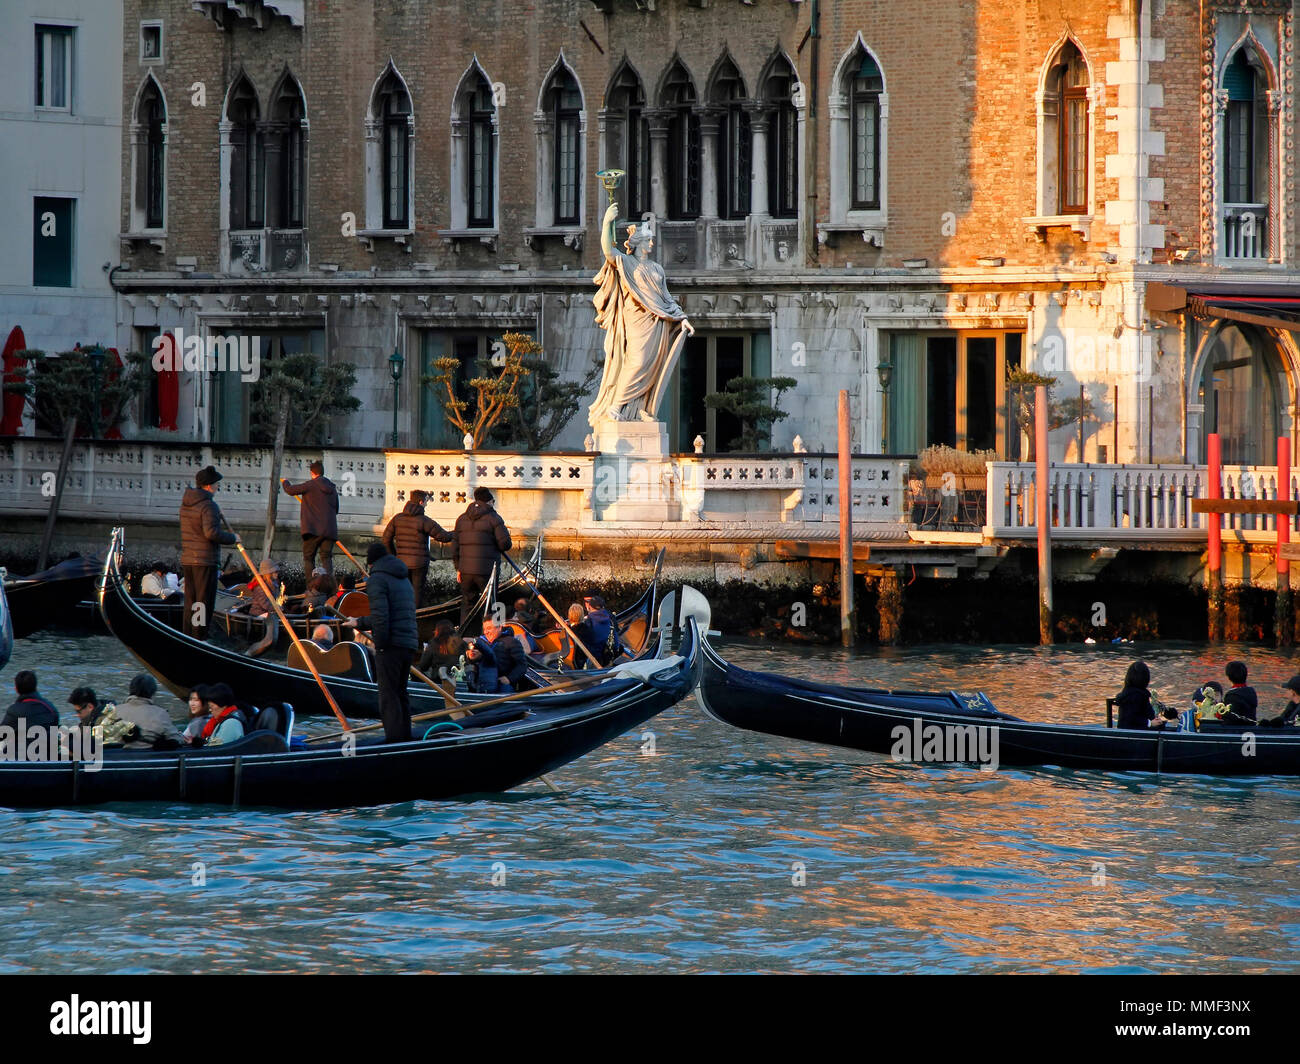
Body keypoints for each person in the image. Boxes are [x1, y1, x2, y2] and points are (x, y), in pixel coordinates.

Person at [588, 200, 695, 426]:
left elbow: (666, 297)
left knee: (652, 365)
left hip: (658, 322)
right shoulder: (626, 262)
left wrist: (682, 318)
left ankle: (641, 408)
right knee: (636, 362)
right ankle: (616, 406)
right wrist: (607, 222)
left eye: (651, 240)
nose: (652, 243)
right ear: (637, 243)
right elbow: (608, 250)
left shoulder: (657, 268)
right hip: (636, 320)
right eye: (648, 240)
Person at [348, 542, 418, 742]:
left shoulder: (377, 580)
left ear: (371, 563)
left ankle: (394, 741)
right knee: (401, 692)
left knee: (388, 696)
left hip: (391, 644)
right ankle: (405, 737)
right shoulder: (404, 580)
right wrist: (359, 622)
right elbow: (391, 614)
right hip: (408, 642)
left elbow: (381, 617)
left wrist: (380, 645)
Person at [180, 465, 240, 640]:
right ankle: (199, 637)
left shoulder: (186, 504)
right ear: (208, 486)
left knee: (191, 600)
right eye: (216, 484)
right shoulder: (208, 506)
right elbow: (211, 533)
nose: (217, 487)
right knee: (202, 602)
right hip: (205, 560)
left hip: (189, 559)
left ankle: (188, 635)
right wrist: (233, 538)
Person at [382, 490, 453, 606]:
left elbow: (385, 539)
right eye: (426, 501)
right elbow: (444, 537)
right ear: (421, 502)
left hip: (401, 563)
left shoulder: (397, 518)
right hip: (419, 563)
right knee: (417, 591)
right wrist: (459, 531)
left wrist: (394, 557)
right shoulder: (424, 521)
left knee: (403, 591)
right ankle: (416, 616)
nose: (426, 504)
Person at [453, 487, 512, 624]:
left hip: (466, 570)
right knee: (491, 603)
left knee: (467, 604)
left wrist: (458, 568)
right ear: (490, 501)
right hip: (487, 571)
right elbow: (505, 545)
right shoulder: (494, 518)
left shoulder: (461, 519)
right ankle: (491, 637)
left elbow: (455, 547)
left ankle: (465, 636)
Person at [282, 460, 341, 575]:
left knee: (309, 558)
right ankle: (328, 586)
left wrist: (285, 482)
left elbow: (290, 490)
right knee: (326, 558)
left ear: (312, 473)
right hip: (329, 530)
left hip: (313, 530)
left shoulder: (310, 485)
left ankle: (311, 587)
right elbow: (336, 509)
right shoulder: (332, 488)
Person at [114, 674, 183, 750]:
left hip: (115, 755)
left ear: (131, 689)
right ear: (153, 692)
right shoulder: (160, 713)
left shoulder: (115, 711)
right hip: (147, 756)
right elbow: (176, 739)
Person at [1114, 661, 1174, 730]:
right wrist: (1150, 723)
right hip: (1131, 731)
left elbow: (1148, 713)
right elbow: (1131, 718)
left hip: (1136, 728)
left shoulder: (1141, 694)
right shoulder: (1133, 696)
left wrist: (1155, 719)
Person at [245, 558, 283, 658]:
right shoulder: (259, 587)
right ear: (269, 573)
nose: (277, 573)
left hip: (269, 611)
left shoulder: (274, 584)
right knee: (273, 617)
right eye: (275, 571)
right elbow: (265, 605)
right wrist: (277, 608)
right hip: (258, 613)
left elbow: (274, 600)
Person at [482, 617, 528, 691]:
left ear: (499, 628)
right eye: (484, 629)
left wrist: (509, 679)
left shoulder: (512, 642)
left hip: (501, 684)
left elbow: (522, 665)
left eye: (489, 628)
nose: (485, 632)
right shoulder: (482, 642)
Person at [582, 594, 620, 666]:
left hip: (593, 659)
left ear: (590, 607)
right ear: (603, 607)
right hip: (608, 658)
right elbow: (616, 643)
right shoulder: (610, 619)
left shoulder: (588, 621)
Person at [1221, 660, 1258, 724]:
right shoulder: (1251, 692)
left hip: (1236, 730)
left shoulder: (1231, 696)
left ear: (1229, 677)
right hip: (1251, 727)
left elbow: (1229, 719)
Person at [564, 602, 595, 667]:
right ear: (582, 615)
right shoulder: (588, 629)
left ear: (569, 615)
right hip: (582, 662)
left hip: (568, 662)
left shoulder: (566, 631)